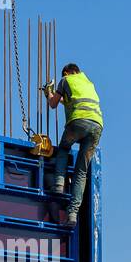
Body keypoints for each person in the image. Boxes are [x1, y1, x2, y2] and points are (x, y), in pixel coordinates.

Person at [44, 63, 103, 226]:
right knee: (81, 172)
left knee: (64, 148)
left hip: (77, 122)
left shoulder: (65, 80)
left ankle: (58, 184)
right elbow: (69, 100)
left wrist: (49, 93)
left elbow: (53, 104)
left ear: (67, 72)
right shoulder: (88, 83)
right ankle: (72, 215)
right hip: (96, 126)